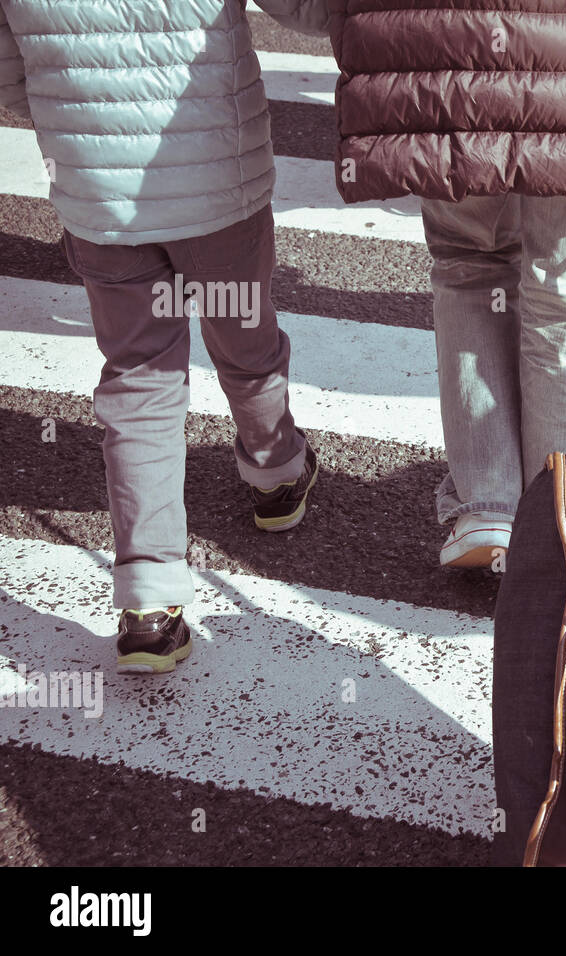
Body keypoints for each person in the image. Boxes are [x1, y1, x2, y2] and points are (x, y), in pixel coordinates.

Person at [302, 0, 566, 568]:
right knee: (564, 292)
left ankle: (489, 506)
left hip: (433, 47)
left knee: (470, 266)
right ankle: (556, 518)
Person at [0, 0, 327, 672]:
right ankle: (274, 471)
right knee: (244, 333)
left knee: (139, 375)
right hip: (217, 178)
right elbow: (306, 8)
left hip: (97, 189)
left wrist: (74, 119)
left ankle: (149, 600)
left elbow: (8, 71)